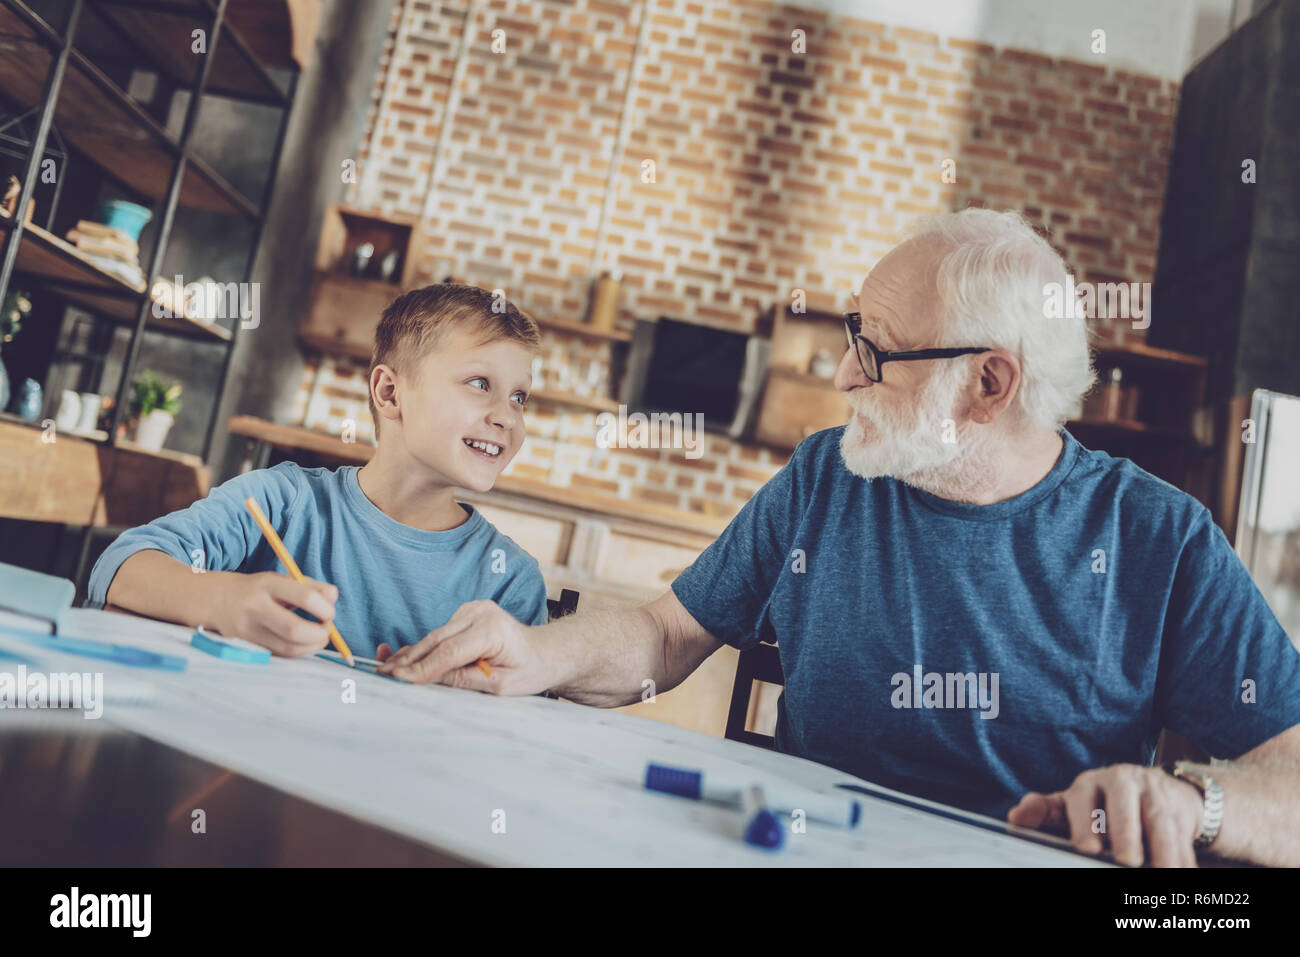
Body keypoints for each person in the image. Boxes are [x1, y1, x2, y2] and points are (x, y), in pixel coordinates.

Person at [377, 209, 1300, 867]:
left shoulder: (1158, 538)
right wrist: (534, 651)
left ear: (989, 384)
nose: (843, 373)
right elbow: (666, 634)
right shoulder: (830, 474)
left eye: (877, 350)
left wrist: (1196, 803)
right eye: (852, 335)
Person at [88, 283, 550, 657]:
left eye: (519, 397)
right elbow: (120, 567)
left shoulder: (509, 579)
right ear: (389, 394)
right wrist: (221, 601)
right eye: (478, 383)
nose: (507, 416)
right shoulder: (282, 501)